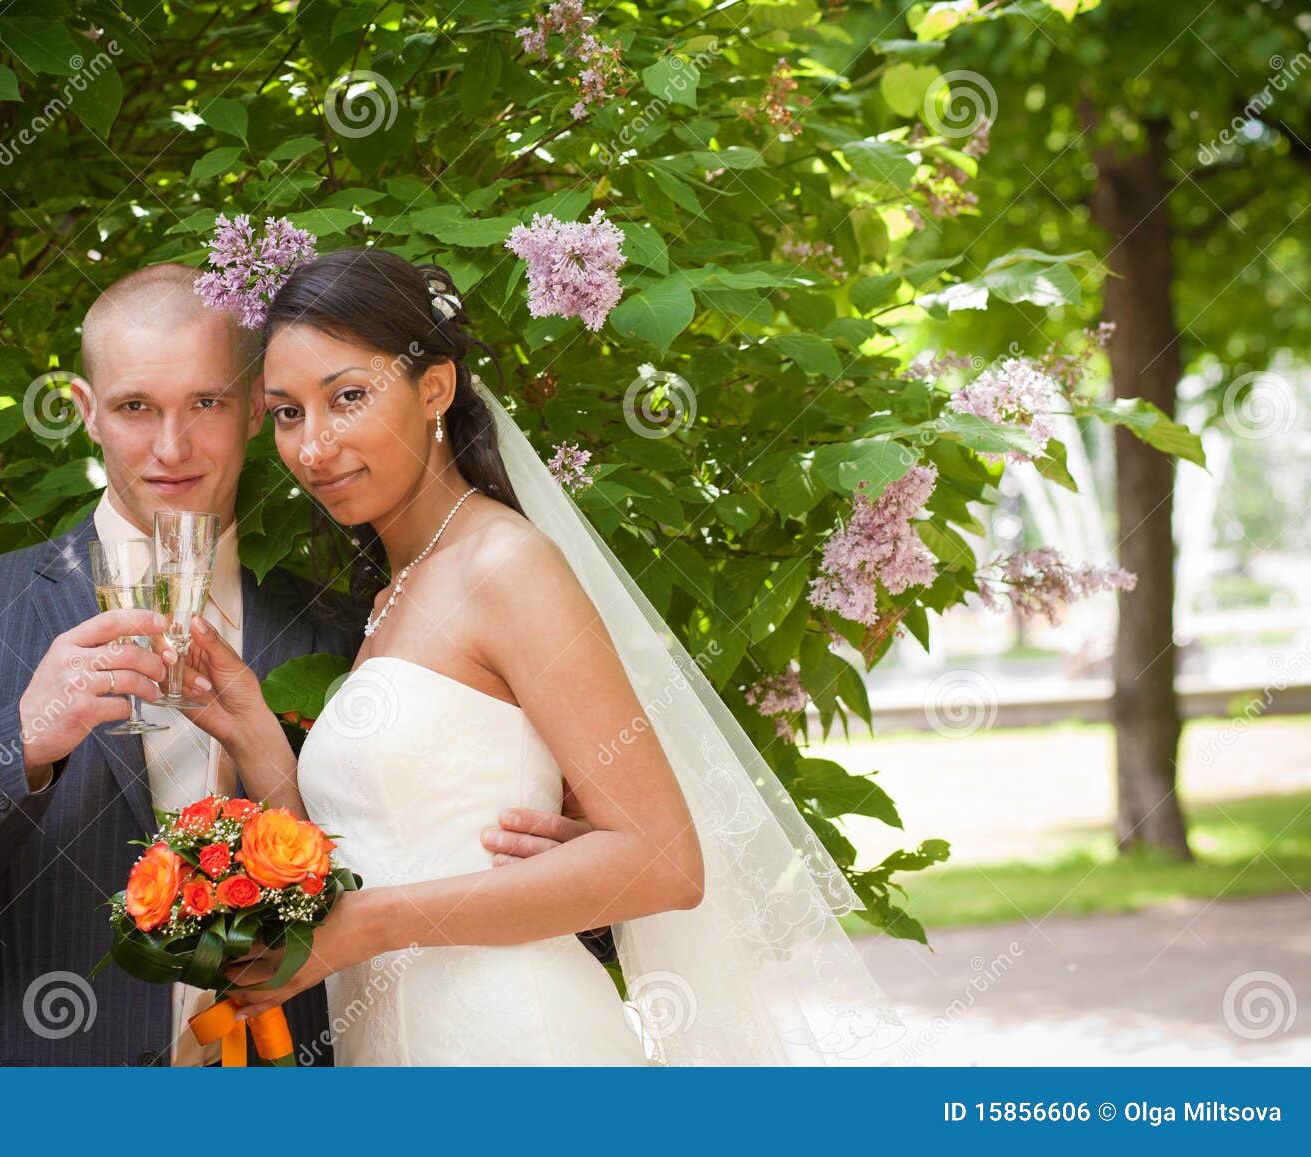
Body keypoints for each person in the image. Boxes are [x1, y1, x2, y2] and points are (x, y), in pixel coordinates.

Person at [0, 262, 583, 1065]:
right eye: (134, 408)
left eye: (206, 403)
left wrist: (567, 878)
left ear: (256, 406)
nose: (172, 447)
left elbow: (448, 861)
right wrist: (19, 742)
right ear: (86, 413)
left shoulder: (349, 625)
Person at [175, 249, 905, 1065]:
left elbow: (664, 862)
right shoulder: (394, 592)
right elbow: (370, 854)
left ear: (435, 388)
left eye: (348, 396)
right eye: (286, 412)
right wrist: (254, 734)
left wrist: (376, 924)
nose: (313, 446)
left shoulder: (504, 566)